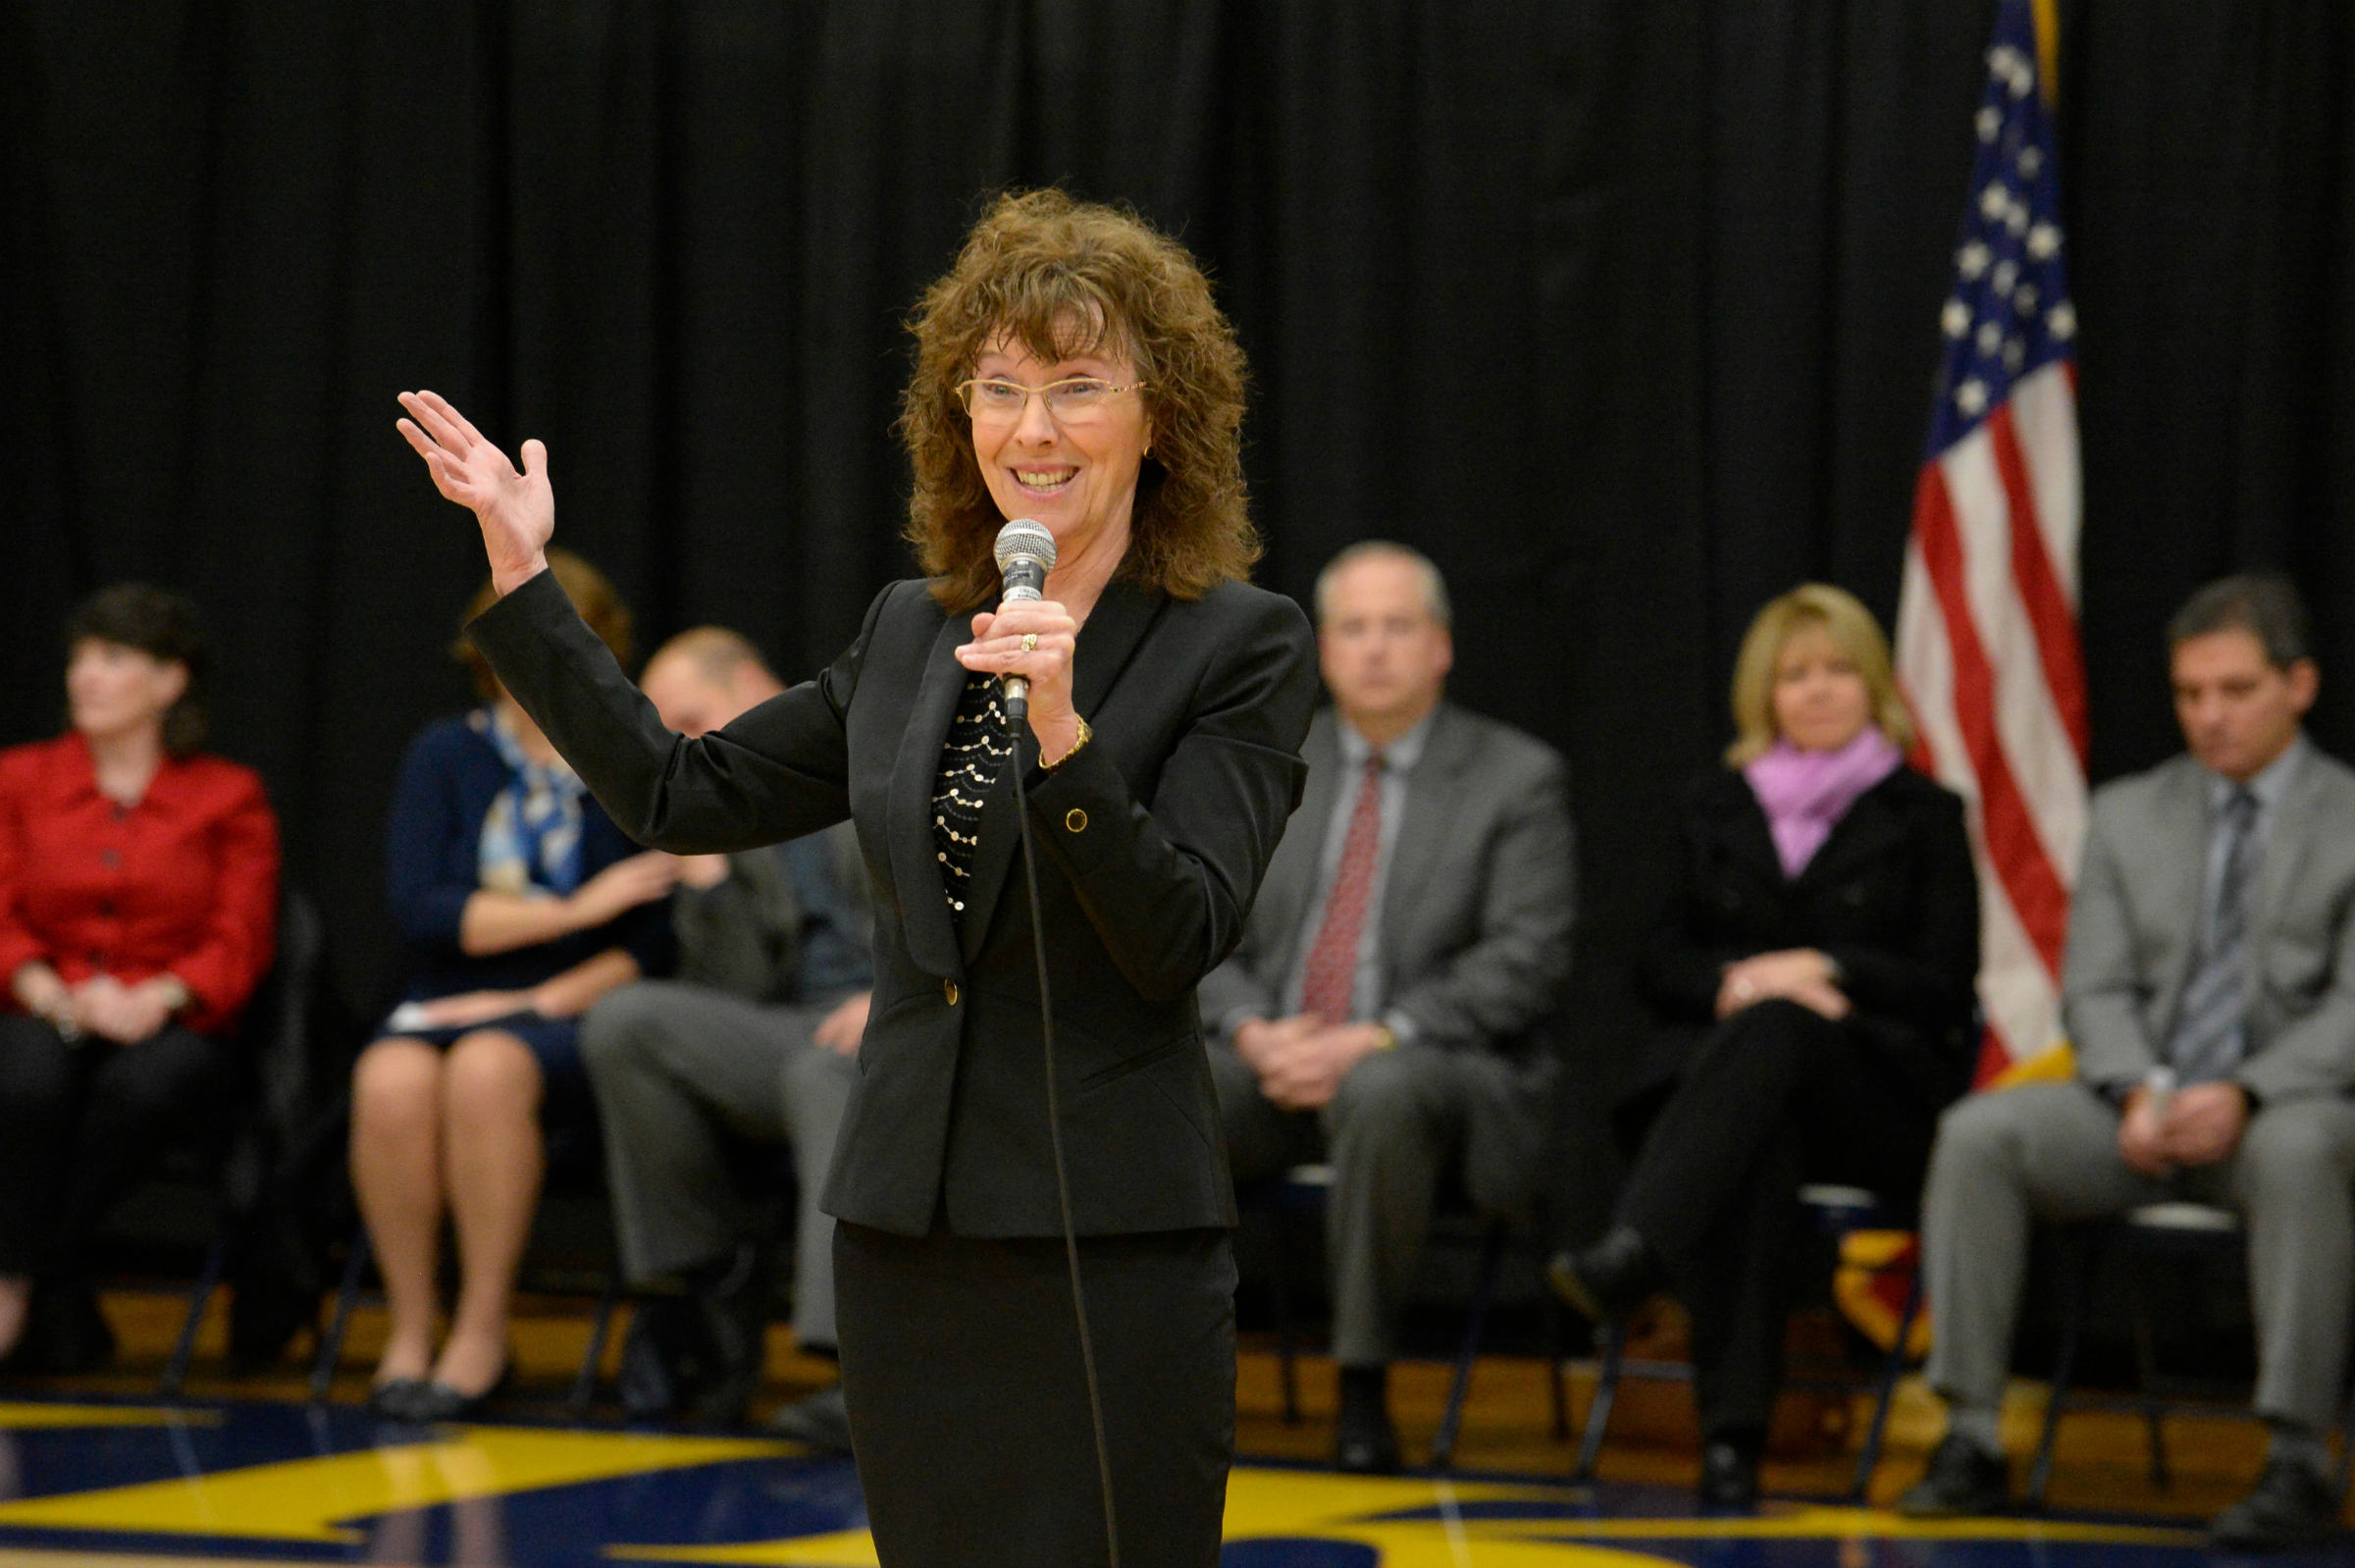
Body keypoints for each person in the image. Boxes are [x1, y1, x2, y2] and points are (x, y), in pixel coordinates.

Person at [396, 187, 1319, 1567]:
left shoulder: (1239, 643)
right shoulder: (911, 628)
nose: (1033, 431)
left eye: (1077, 388)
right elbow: (675, 791)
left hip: (1106, 1231)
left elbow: (1177, 929)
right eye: (998, 390)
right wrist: (524, 576)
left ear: (1160, 412)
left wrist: (1066, 737)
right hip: (905, 1221)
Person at [1901, 574, 2355, 1551]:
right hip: (2138, 1107)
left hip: (2285, 1106)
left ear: (2300, 685)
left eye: (2235, 690)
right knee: (1981, 1134)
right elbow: (2094, 988)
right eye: (2191, 694)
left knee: (2303, 1151)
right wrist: (2137, 1087)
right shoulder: (2129, 813)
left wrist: (2245, 1089)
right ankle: (1970, 1436)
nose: (2211, 716)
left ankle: (2295, 1459)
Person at [1548, 584, 1980, 1507]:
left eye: (1835, 672)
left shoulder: (1925, 814)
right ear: (1764, 695)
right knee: (1756, 1140)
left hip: (1876, 1095)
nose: (1817, 691)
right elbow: (1654, 964)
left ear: (1873, 686)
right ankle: (1732, 1446)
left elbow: (1948, 983)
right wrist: (1735, 983)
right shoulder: (1713, 806)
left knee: (1781, 1031)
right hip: (1734, 1106)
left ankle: (1638, 1249)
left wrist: (1830, 970)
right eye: (1795, 675)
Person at [1197, 541, 1574, 1473]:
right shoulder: (1268, 761)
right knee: (1154, 1082)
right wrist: (1250, 1029)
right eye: (1353, 629)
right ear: (1323, 650)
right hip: (1272, 1061)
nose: (1374, 650)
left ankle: (1361, 1388)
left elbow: (1526, 961)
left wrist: (1374, 1037)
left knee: (1381, 1091)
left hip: (1439, 1077)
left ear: (1440, 647)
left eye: (1397, 626)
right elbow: (1201, 926)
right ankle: (1151, 1373)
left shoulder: (1516, 777)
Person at [352, 549, 677, 1422]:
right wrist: (580, 909)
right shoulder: (445, 753)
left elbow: (653, 938)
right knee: (389, 1079)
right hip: (445, 991)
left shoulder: (631, 757)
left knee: (488, 1067)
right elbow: (424, 908)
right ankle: (411, 1328)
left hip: (574, 1009)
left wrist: (543, 988)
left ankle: (483, 1330)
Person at [579, 627, 873, 1443]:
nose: (681, 746)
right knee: (628, 1024)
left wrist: (896, 1000)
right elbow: (733, 993)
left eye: (692, 719)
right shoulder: (724, 804)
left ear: (751, 681)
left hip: (904, 1024)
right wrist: (709, 888)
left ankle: (861, 1371)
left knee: (829, 1076)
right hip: (786, 1033)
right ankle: (705, 1293)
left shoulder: (876, 747)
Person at [0, 584, 280, 1372]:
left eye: (113, 658)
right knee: (26, 1079)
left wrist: (156, 996)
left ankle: (23, 1270)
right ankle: (35, 1281)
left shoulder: (227, 796)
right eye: (79, 658)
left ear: (170, 680)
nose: (84, 676)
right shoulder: (19, 779)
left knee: (149, 1087)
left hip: (168, 1018)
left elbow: (242, 935)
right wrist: (49, 991)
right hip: (40, 1003)